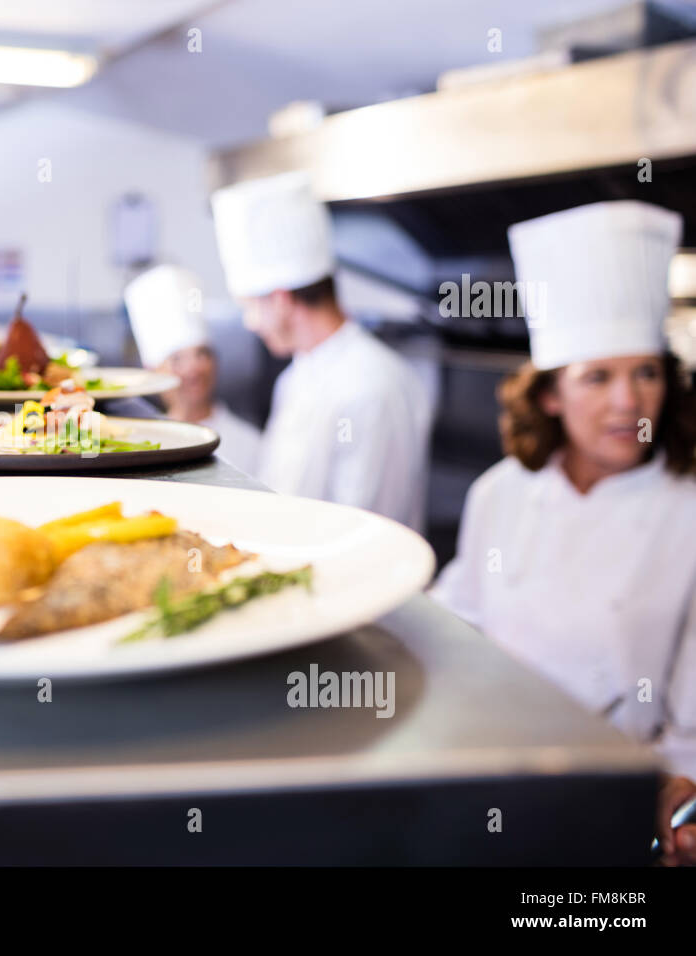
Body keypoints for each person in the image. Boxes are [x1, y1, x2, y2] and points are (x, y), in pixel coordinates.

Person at [430, 200, 696, 866]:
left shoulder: (686, 509)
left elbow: (692, 720)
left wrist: (677, 794)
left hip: (618, 800)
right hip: (487, 772)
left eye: (646, 372)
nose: (628, 402)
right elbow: (455, 624)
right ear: (550, 394)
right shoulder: (501, 493)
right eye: (597, 377)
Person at [210, 172, 430, 531]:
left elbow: (367, 532)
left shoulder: (372, 386)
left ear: (281, 300)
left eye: (251, 306)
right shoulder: (296, 377)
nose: (250, 322)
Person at [123, 264, 261, 471]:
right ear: (153, 371)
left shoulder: (250, 444)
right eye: (177, 359)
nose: (193, 368)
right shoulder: (138, 441)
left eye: (202, 354)